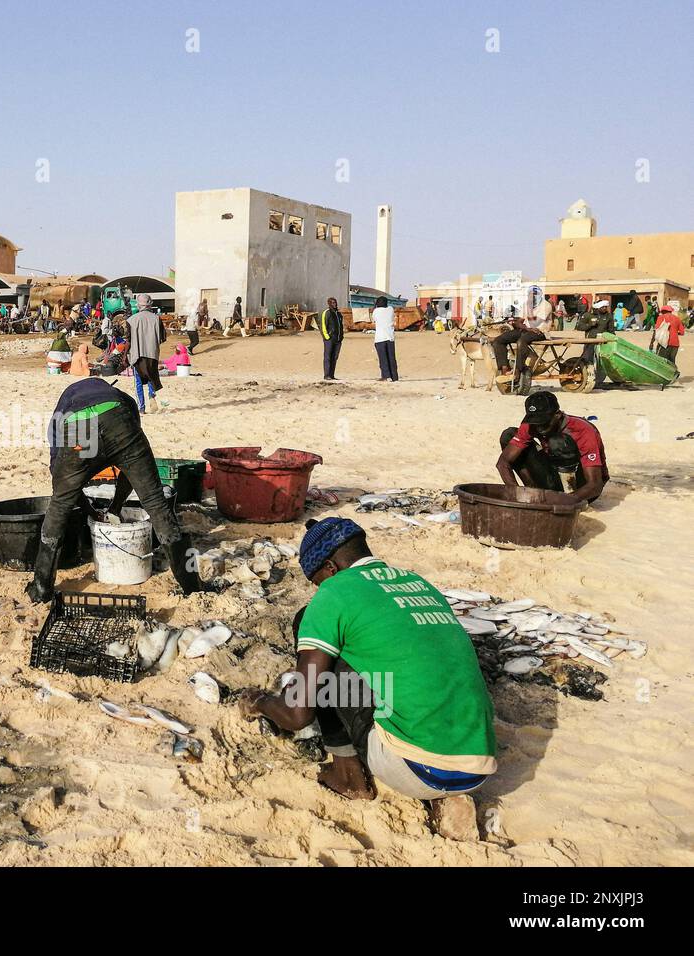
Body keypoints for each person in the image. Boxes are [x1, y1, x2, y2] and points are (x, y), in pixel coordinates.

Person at [237, 518, 496, 802]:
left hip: (419, 769)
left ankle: (348, 775)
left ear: (330, 568)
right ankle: (450, 801)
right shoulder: (416, 582)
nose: (318, 590)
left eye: (317, 582)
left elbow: (298, 716)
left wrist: (259, 702)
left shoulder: (335, 592)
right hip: (479, 766)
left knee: (315, 637)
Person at [26, 376, 203, 604]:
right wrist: (115, 506)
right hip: (118, 419)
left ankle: (41, 588)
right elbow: (131, 465)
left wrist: (90, 510)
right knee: (156, 502)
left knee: (59, 505)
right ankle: (192, 586)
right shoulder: (122, 398)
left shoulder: (63, 408)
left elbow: (58, 477)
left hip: (77, 428)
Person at [497, 391, 608, 502]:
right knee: (509, 435)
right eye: (536, 422)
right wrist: (516, 493)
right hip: (553, 477)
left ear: (557, 415)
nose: (539, 428)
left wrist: (565, 501)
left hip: (583, 490)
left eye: (543, 422)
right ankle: (533, 493)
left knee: (557, 442)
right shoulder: (531, 426)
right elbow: (503, 463)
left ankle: (567, 498)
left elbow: (595, 485)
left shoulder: (582, 430)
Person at [127, 293, 166, 412]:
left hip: (137, 355)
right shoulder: (157, 319)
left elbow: (128, 339)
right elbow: (162, 338)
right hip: (152, 355)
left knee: (138, 383)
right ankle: (151, 396)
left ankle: (141, 408)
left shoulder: (131, 320)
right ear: (150, 304)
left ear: (138, 304)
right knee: (151, 378)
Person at [371, 296, 398, 382]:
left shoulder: (376, 311)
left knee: (383, 358)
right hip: (390, 337)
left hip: (380, 338)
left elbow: (373, 320)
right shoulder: (391, 309)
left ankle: (386, 376)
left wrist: (375, 306)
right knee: (391, 358)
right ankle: (394, 376)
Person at [319, 297, 344, 381]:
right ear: (329, 303)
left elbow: (341, 326)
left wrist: (341, 337)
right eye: (333, 303)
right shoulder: (326, 313)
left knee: (335, 357)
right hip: (329, 339)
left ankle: (332, 375)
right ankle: (326, 375)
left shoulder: (339, 314)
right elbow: (323, 326)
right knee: (328, 357)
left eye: (335, 302)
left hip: (338, 339)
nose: (335, 304)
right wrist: (327, 337)